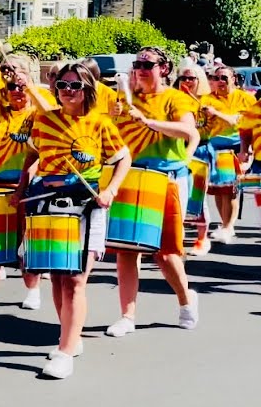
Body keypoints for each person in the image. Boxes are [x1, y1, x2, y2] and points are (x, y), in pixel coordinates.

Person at [19, 62, 131, 379]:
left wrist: (110, 189)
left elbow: (123, 157)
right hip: (46, 200)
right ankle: (69, 334)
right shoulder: (44, 120)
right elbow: (32, 155)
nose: (67, 91)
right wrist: (21, 189)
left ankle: (66, 351)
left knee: (76, 279)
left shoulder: (100, 123)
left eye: (75, 86)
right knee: (57, 275)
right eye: (62, 85)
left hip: (85, 203)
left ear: (87, 90)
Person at [107, 46, 200, 338]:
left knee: (165, 253)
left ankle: (186, 300)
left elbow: (187, 131)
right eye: (137, 64)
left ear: (164, 68)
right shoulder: (124, 100)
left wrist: (147, 122)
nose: (140, 69)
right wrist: (115, 114)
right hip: (133, 176)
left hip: (167, 178)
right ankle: (127, 315)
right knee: (126, 250)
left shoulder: (176, 98)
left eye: (147, 64)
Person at [0, 53, 44, 312]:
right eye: (11, 86)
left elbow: (40, 153)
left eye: (20, 86)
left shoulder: (39, 110)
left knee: (29, 242)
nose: (15, 91)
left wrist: (24, 187)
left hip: (29, 187)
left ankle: (33, 289)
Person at [199, 65, 254, 243]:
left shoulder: (245, 99)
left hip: (236, 147)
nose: (220, 82)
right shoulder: (207, 99)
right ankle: (224, 224)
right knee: (218, 189)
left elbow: (237, 122)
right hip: (213, 148)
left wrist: (215, 113)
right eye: (216, 78)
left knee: (230, 189)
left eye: (224, 78)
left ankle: (228, 227)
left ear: (234, 80)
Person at [178, 63, 213, 255]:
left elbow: (224, 124)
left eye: (191, 78)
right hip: (179, 150)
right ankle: (177, 238)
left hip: (201, 151)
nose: (187, 82)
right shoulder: (176, 99)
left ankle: (202, 238)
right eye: (184, 78)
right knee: (178, 198)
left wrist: (213, 114)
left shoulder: (208, 100)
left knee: (199, 197)